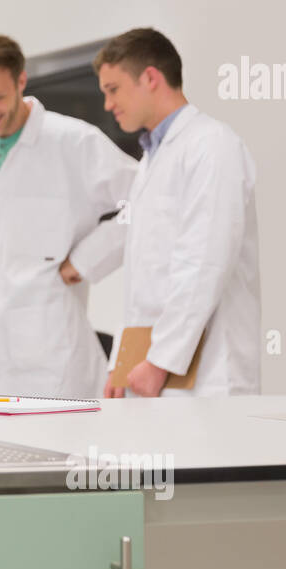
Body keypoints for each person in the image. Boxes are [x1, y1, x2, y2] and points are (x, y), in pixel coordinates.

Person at [0, 33, 137, 398]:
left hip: (54, 354)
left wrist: (85, 261)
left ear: (20, 81)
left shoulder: (74, 141)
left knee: (63, 449)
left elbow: (145, 202)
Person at [95, 28, 261, 398]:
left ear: (150, 78)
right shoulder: (152, 159)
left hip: (205, 374)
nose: (108, 104)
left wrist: (161, 361)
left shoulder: (212, 146)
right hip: (156, 371)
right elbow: (144, 280)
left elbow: (204, 262)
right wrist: (122, 365)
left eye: (113, 89)